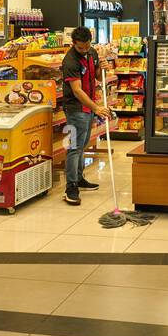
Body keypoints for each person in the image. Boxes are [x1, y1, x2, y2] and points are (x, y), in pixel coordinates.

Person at [60, 26, 111, 205]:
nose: (84, 50)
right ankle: (71, 186)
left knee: (82, 146)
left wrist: (103, 67)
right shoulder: (70, 61)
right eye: (80, 47)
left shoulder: (92, 53)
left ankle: (79, 179)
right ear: (74, 44)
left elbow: (97, 76)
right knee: (74, 148)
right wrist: (96, 107)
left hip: (88, 108)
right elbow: (77, 90)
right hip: (75, 109)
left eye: (86, 46)